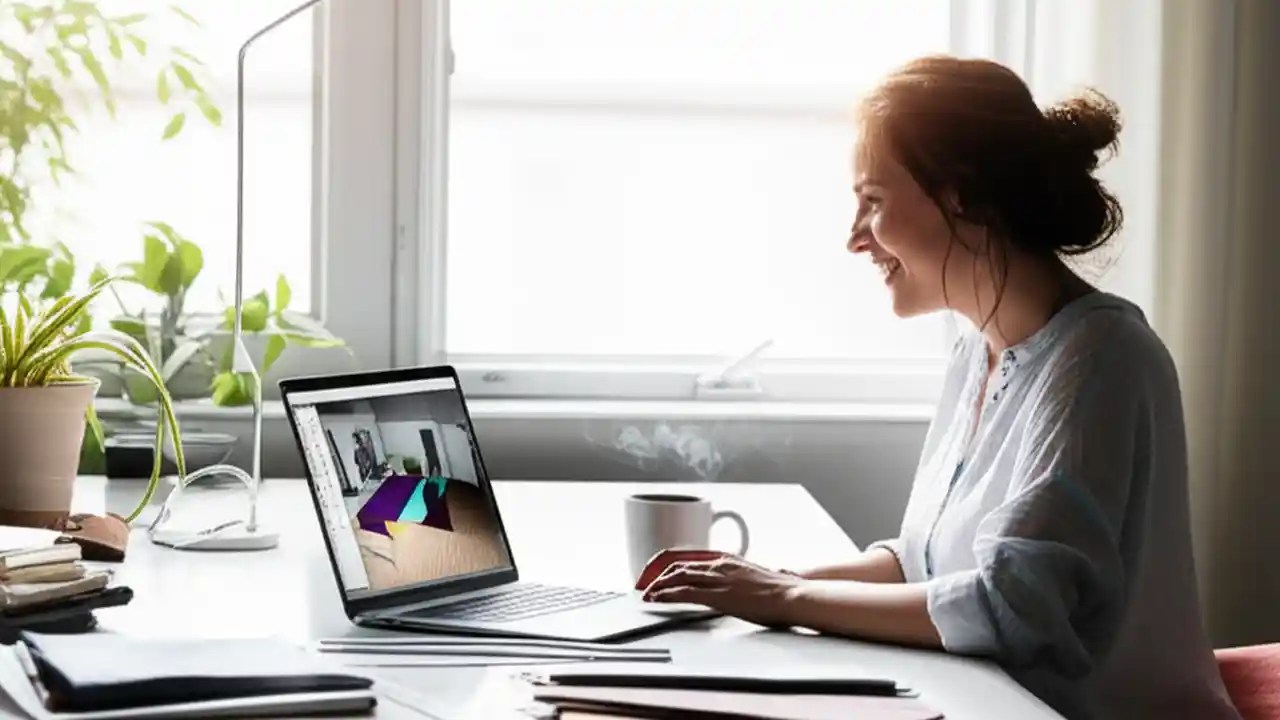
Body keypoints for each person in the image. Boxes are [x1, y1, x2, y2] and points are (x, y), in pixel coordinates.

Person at [641, 56, 1239, 720]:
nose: (853, 238)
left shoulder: (1102, 360)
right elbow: (923, 564)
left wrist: (783, 600)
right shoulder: (974, 352)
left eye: (872, 200)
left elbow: (1010, 607)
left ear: (961, 193)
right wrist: (764, 584)